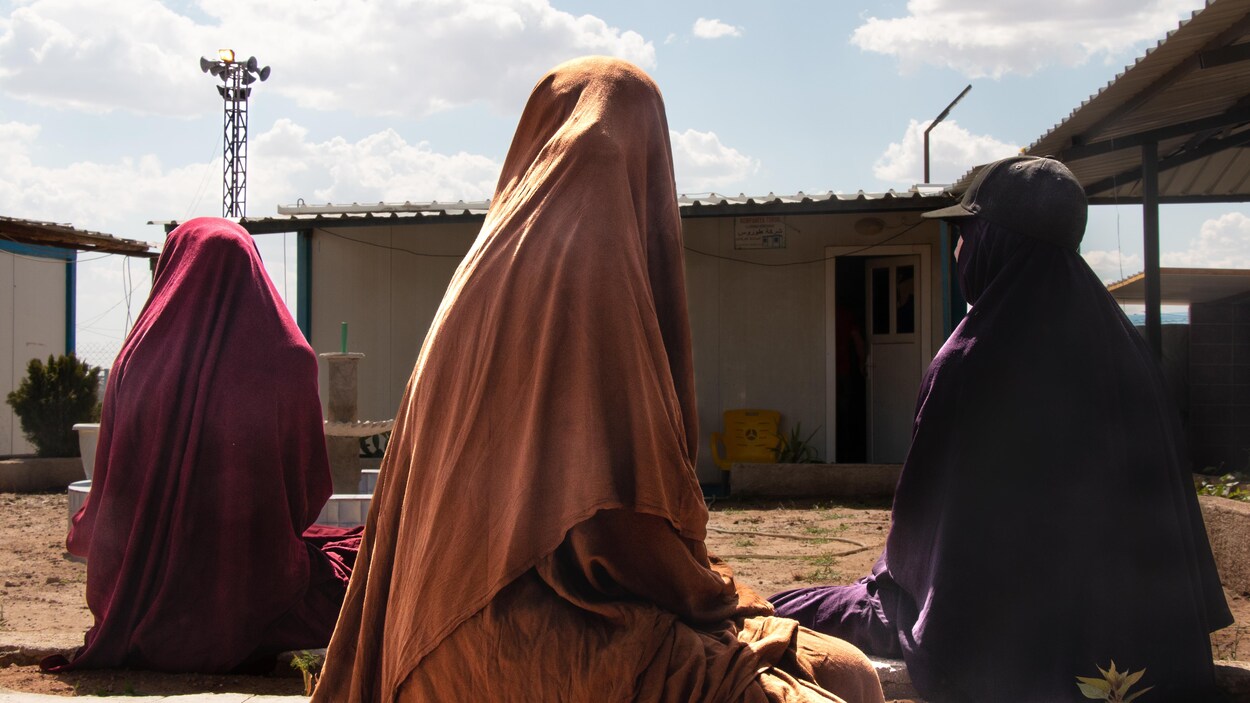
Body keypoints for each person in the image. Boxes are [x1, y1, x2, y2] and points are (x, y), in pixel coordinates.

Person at [312, 56, 885, 703]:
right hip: (526, 642)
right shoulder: (593, 265)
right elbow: (621, 533)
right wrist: (714, 593)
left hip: (420, 645)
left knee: (843, 668)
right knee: (844, 678)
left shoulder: (475, 274)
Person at [771, 155, 1232, 702]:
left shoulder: (972, 360)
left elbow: (921, 544)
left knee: (777, 609)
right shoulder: (1130, 353)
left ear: (993, 241)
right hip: (1133, 636)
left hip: (992, 630)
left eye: (964, 234)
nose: (959, 250)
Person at [44, 218, 361, 673]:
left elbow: (111, 490)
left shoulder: (134, 362)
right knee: (370, 559)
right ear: (253, 268)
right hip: (251, 594)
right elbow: (307, 493)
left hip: (136, 597)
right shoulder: (289, 358)